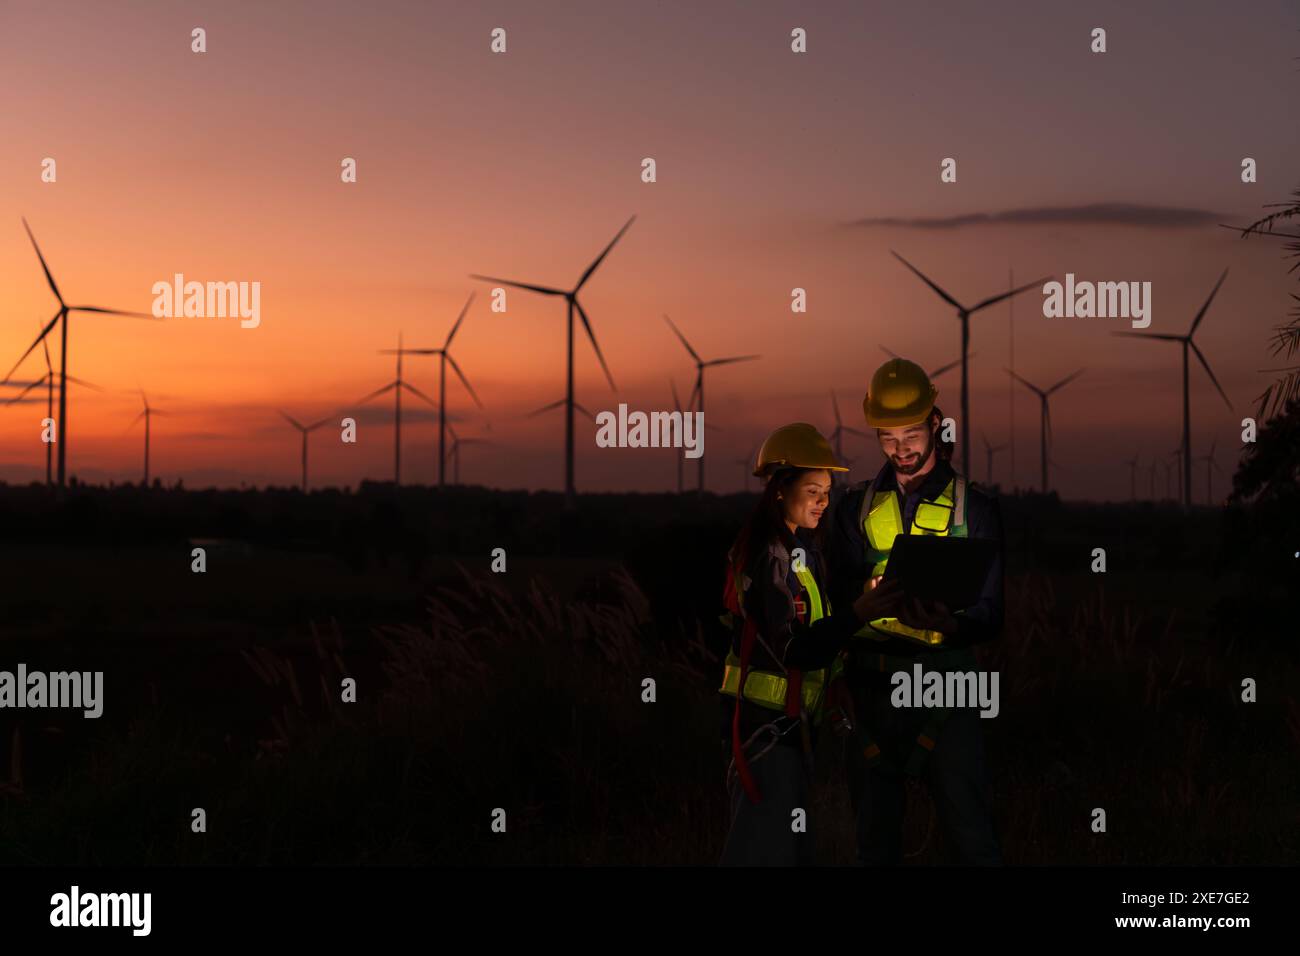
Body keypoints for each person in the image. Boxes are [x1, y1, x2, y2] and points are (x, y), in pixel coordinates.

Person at [827, 358, 1004, 865]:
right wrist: (866, 596)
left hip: (949, 689)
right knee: (873, 847)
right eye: (886, 436)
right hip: (871, 693)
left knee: (972, 841)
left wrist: (953, 624)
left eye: (910, 434)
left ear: (934, 423)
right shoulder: (852, 507)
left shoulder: (978, 507)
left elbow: (993, 615)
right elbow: (834, 607)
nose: (900, 449)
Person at [718, 422, 903, 866]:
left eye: (828, 491)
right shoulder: (768, 558)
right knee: (763, 851)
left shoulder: (804, 554)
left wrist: (836, 682)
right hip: (765, 733)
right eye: (813, 490)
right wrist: (861, 611)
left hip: (794, 730)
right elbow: (796, 648)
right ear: (781, 489)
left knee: (789, 850)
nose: (824, 501)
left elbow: (818, 633)